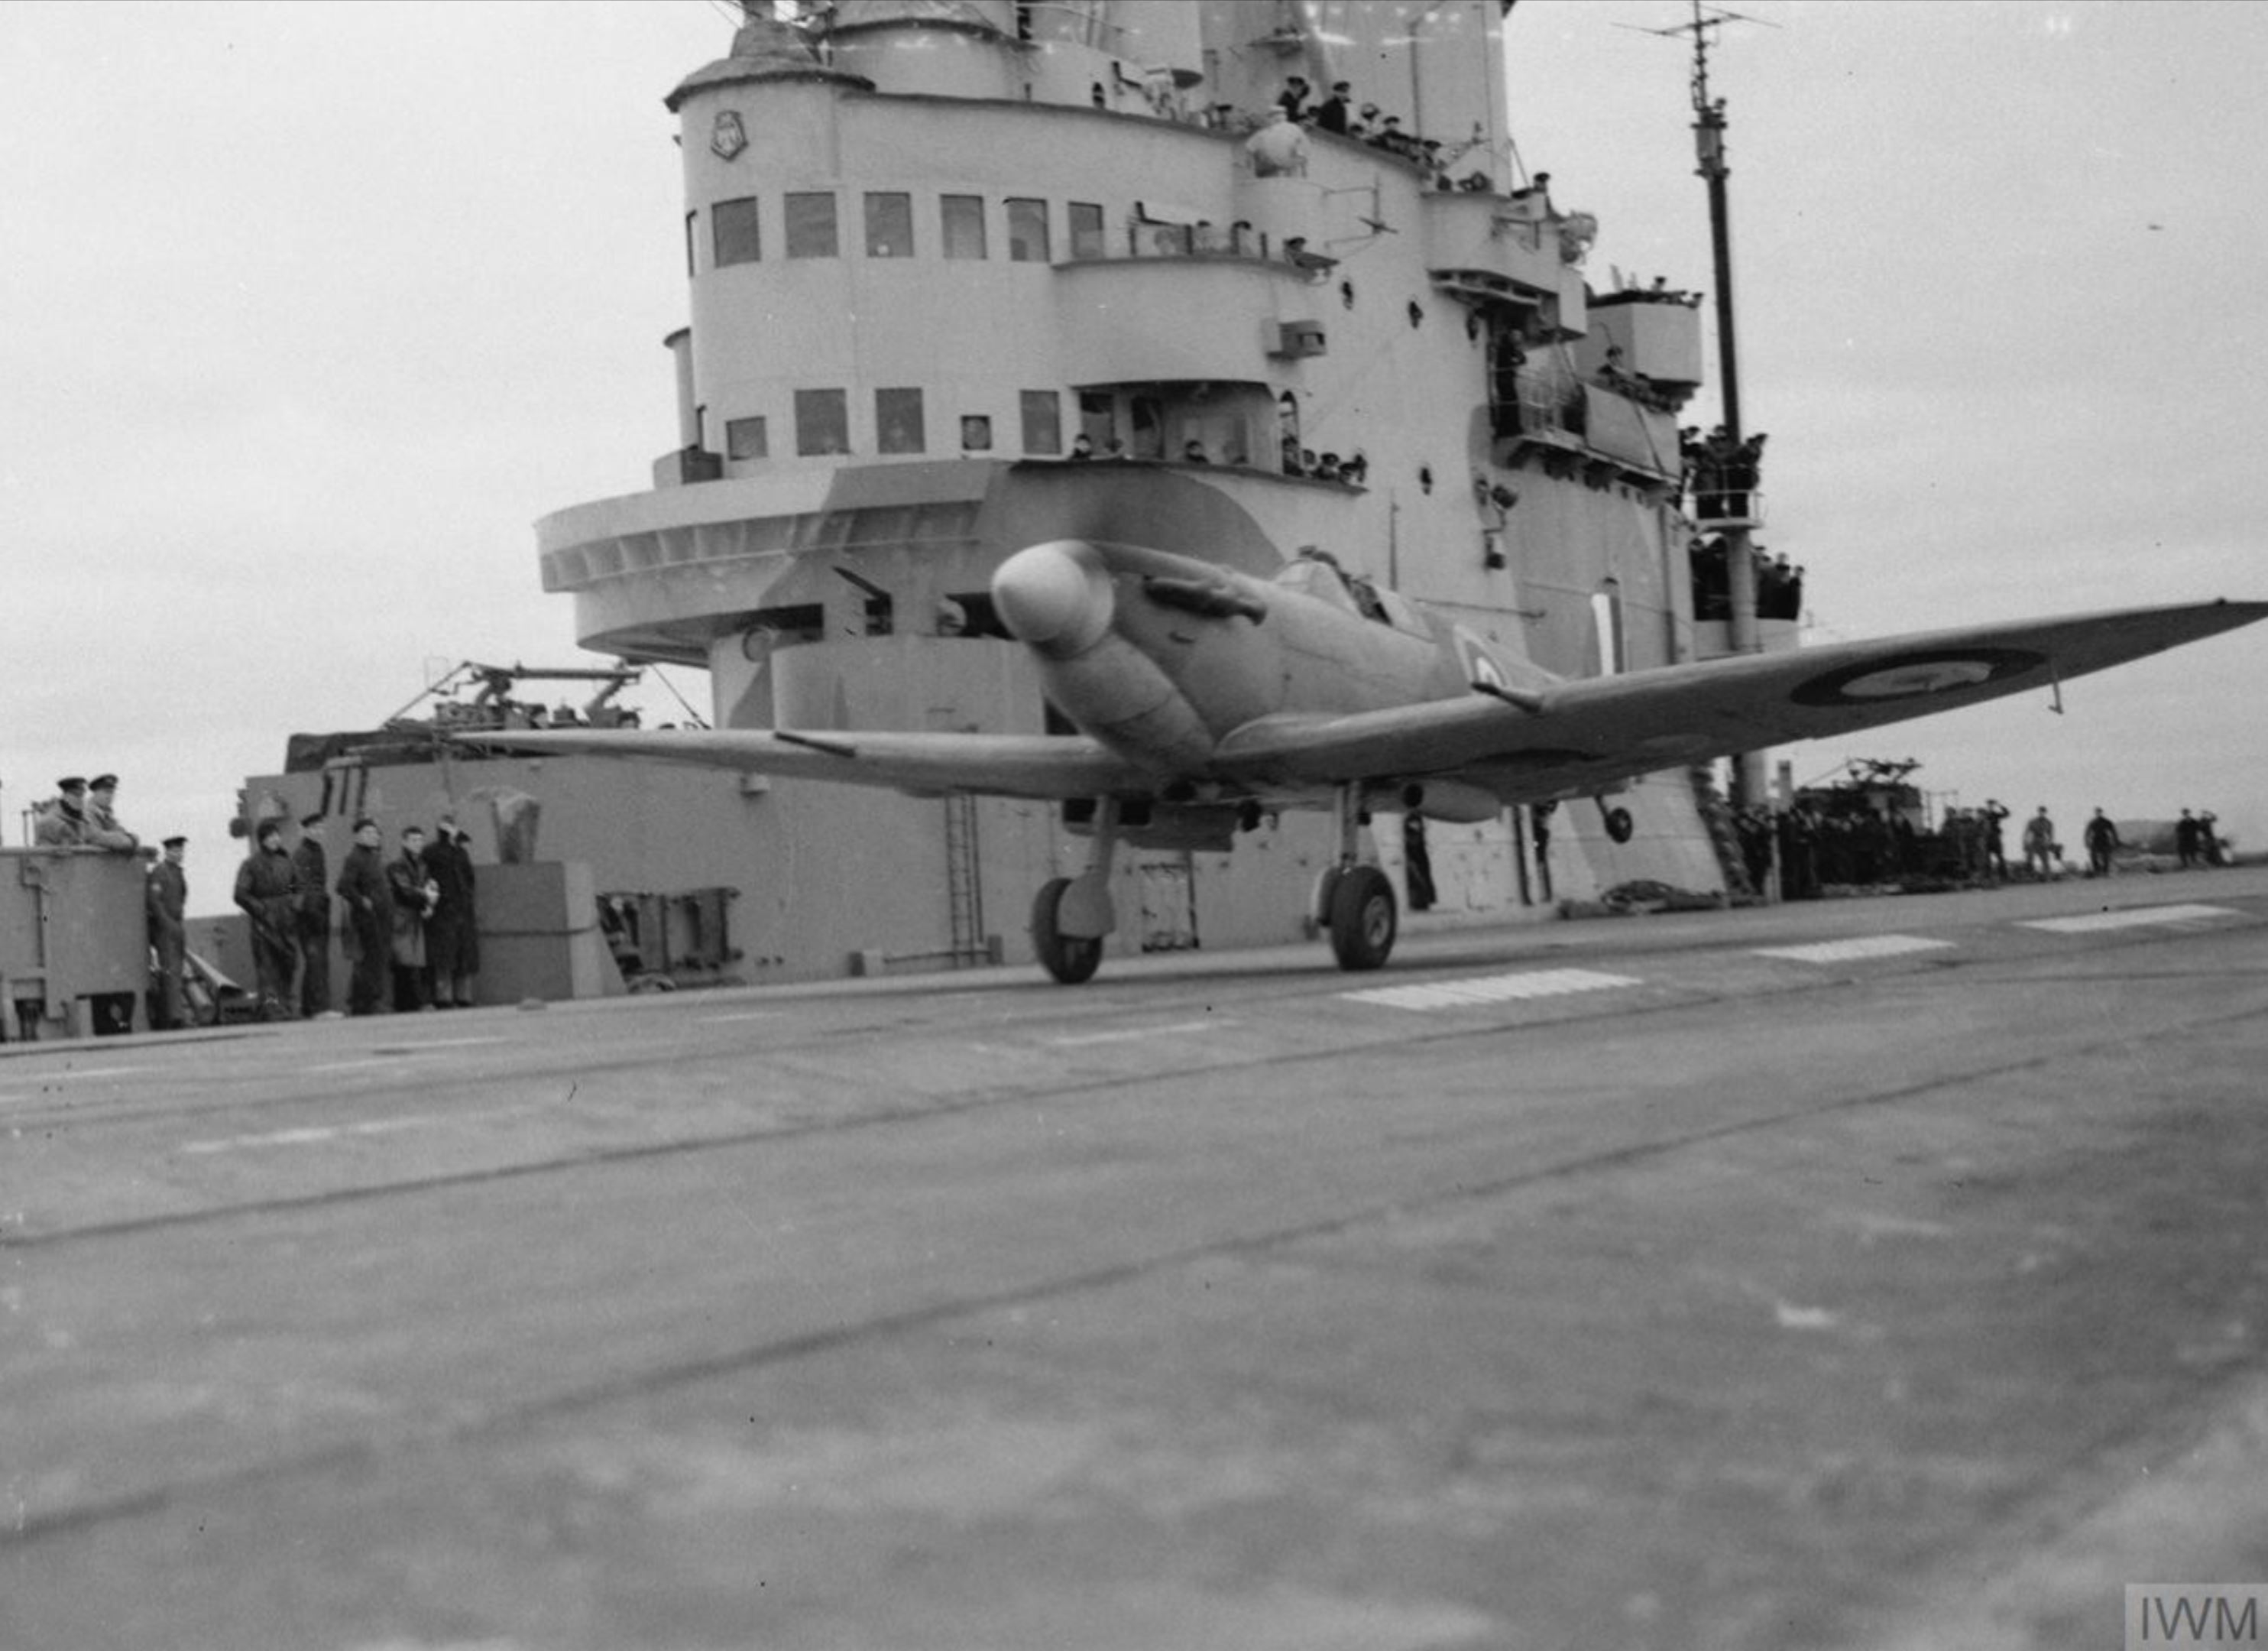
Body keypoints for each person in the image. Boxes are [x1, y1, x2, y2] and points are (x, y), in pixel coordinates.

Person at [233, 822, 300, 1020]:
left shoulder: (287, 863)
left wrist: (292, 905)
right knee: (268, 968)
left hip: (286, 921)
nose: (275, 839)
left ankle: (285, 1005)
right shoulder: (251, 864)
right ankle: (271, 1009)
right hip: (264, 922)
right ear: (262, 839)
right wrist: (261, 909)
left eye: (277, 835)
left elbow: (296, 887)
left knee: (288, 964)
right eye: (270, 836)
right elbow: (240, 894)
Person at [335, 817, 393, 1016]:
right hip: (367, 919)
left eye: (375, 833)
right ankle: (371, 1002)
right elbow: (343, 886)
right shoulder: (355, 858)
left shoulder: (373, 857)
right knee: (372, 960)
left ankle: (359, 1002)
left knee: (373, 960)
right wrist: (361, 901)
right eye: (368, 833)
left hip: (381, 917)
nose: (373, 836)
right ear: (357, 836)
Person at [423, 814, 478, 1008]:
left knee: (463, 954)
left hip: (461, 909)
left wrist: (467, 899)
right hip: (443, 910)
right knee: (444, 956)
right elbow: (427, 877)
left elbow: (469, 879)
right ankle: (444, 996)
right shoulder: (433, 852)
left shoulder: (460, 853)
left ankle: (463, 996)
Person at [387, 826, 440, 1011]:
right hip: (403, 918)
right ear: (404, 842)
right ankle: (406, 1003)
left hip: (417, 917)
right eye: (414, 840)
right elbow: (405, 891)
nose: (418, 844)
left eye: (420, 840)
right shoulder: (397, 866)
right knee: (404, 961)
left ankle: (414, 1001)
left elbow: (427, 888)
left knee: (417, 961)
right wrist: (426, 898)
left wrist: (427, 902)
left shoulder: (423, 865)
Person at [291, 813, 334, 1017]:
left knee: (316, 963)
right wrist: (313, 912)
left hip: (317, 912)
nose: (319, 832)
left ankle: (310, 1008)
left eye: (321, 828)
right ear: (305, 830)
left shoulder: (317, 851)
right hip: (310, 916)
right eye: (315, 828)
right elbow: (301, 885)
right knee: (316, 962)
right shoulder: (303, 853)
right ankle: (319, 1008)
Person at [147, 835, 190, 1030]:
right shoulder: (159, 873)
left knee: (176, 971)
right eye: (175, 850)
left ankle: (176, 1014)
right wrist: (168, 924)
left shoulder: (178, 873)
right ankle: (175, 1017)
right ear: (167, 852)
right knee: (171, 972)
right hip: (166, 928)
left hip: (177, 925)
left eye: (180, 850)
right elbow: (155, 903)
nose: (179, 854)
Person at [83, 774, 140, 852]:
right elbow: (96, 837)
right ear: (95, 793)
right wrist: (129, 840)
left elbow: (120, 832)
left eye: (112, 792)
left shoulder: (107, 816)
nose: (109, 796)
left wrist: (132, 838)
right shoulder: (86, 813)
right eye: (106, 792)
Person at [32, 777, 90, 846]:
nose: (80, 800)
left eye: (82, 794)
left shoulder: (82, 821)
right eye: (77, 795)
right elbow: (47, 851)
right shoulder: (50, 822)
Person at [2082, 808, 2120, 877]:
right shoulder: (2092, 822)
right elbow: (2087, 833)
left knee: (2106, 856)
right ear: (2095, 813)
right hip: (2095, 840)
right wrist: (2086, 842)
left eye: (2099, 812)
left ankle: (2105, 871)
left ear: (2102, 813)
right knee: (2093, 856)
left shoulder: (2107, 822)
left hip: (2104, 840)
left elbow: (2113, 832)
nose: (2098, 814)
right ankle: (2097, 870)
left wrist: (2115, 841)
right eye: (2097, 813)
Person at [2023, 806, 2059, 880]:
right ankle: (2029, 874)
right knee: (2029, 858)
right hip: (2033, 841)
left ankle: (2047, 875)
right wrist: (2026, 843)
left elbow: (2050, 835)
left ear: (2045, 813)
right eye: (2040, 812)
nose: (2041, 813)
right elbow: (2027, 833)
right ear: (2038, 812)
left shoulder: (2048, 823)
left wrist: (2049, 843)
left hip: (2042, 842)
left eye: (2043, 812)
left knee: (2045, 860)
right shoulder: (2032, 822)